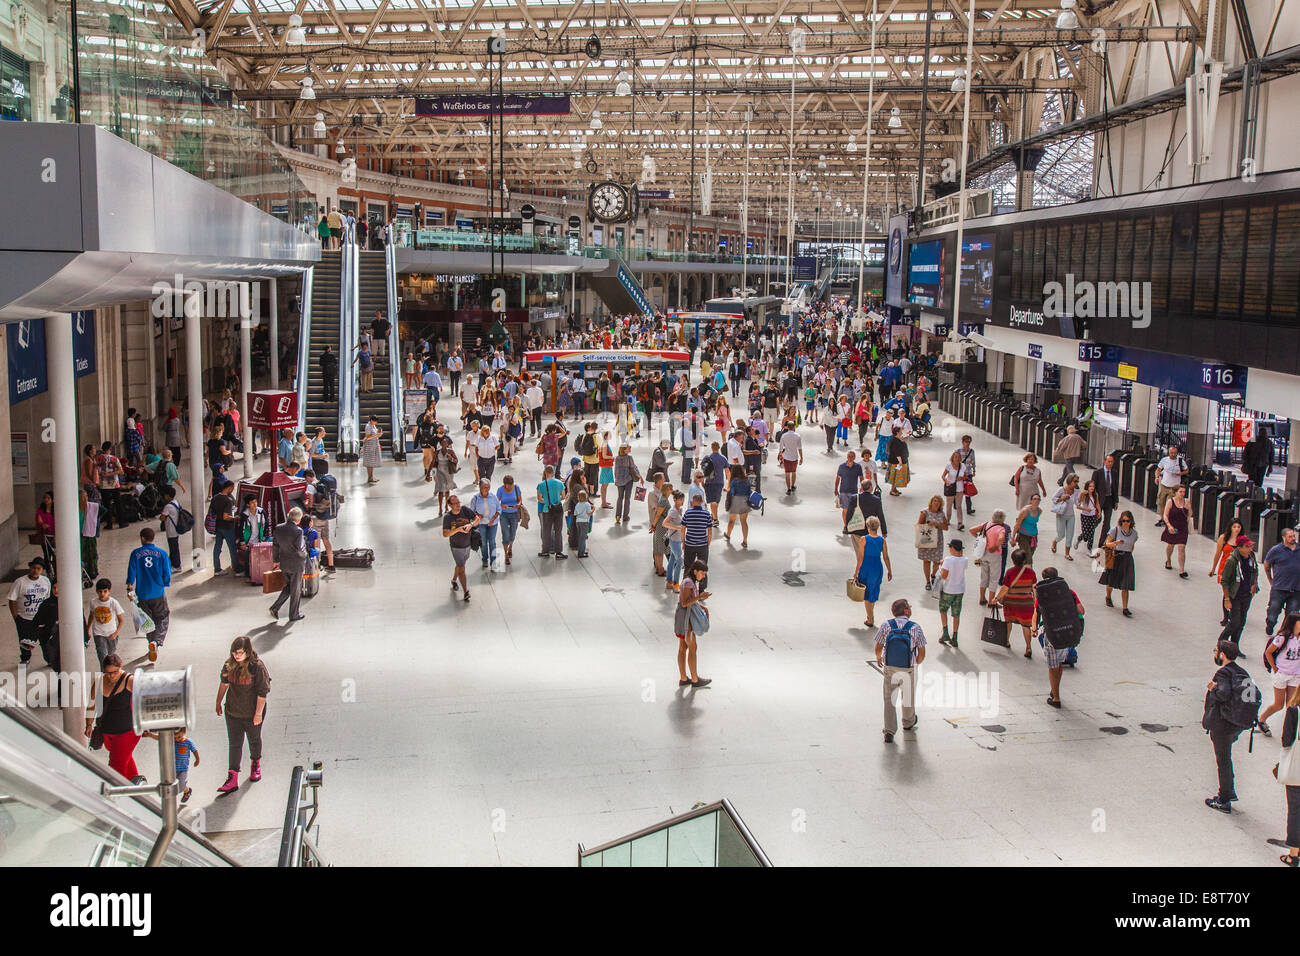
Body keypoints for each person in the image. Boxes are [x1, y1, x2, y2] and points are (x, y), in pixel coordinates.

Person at [1202, 640, 1255, 813]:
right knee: (1226, 758)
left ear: (1222, 655)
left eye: (1216, 651)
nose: (1215, 654)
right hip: (1237, 724)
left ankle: (1224, 798)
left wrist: (1213, 689)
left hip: (1223, 725)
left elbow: (1223, 694)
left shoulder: (1223, 673)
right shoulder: (1241, 672)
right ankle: (1227, 792)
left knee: (1223, 761)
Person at [214, 635, 271, 794]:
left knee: (254, 740)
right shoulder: (229, 665)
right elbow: (224, 683)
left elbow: (262, 692)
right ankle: (232, 777)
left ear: (247, 651)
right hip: (232, 712)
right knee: (235, 744)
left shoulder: (257, 667)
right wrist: (218, 701)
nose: (236, 656)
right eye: (234, 653)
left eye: (239, 652)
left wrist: (258, 714)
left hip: (252, 713)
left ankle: (255, 764)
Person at [85, 655, 145, 784]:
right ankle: (136, 788)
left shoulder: (130, 681)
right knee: (123, 759)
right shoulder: (100, 680)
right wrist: (89, 724)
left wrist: (146, 724)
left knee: (116, 764)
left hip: (128, 731)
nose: (112, 676)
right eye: (108, 673)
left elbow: (143, 702)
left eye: (115, 672)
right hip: (107, 731)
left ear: (121, 667)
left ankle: (114, 791)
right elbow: (91, 704)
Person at [875, 598, 926, 743]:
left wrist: (879, 657)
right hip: (908, 668)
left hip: (890, 667)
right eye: (909, 607)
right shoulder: (915, 627)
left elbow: (878, 647)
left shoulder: (886, 625)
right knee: (908, 697)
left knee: (888, 698)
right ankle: (908, 722)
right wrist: (915, 664)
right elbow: (922, 653)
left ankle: (889, 731)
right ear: (906, 611)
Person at [1033, 567, 1084, 707]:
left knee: (1052, 666)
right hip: (1067, 632)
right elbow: (1081, 610)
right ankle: (1054, 690)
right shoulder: (1069, 591)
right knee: (1059, 663)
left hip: (1051, 634)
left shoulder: (1042, 593)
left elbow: (1036, 612)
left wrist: (1034, 628)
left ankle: (1055, 698)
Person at [127, 527, 172, 663]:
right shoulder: (162, 553)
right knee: (162, 616)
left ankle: (151, 643)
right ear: (153, 538)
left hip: (142, 593)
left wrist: (129, 586)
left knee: (147, 620)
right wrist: (164, 583)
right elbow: (167, 572)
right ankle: (157, 642)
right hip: (157, 592)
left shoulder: (135, 554)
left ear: (142, 538)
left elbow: (132, 571)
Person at [990, 549, 1037, 657]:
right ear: (1024, 560)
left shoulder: (1010, 572)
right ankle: (1028, 647)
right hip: (1026, 603)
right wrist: (1035, 601)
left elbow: (1005, 588)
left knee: (1008, 622)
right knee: (1026, 626)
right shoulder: (1031, 572)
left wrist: (996, 598)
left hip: (1011, 602)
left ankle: (1006, 641)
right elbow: (1034, 588)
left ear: (1013, 560)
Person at [674, 560, 712, 688]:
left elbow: (686, 601)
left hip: (682, 616)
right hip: (686, 619)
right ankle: (695, 679)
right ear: (695, 571)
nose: (703, 576)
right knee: (693, 647)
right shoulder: (689, 583)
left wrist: (700, 605)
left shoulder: (688, 581)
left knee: (683, 647)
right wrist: (699, 597)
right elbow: (685, 603)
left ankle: (684, 678)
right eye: (702, 573)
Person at [8, 557, 51, 666]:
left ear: (42, 570)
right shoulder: (20, 582)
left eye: (38, 568)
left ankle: (49, 659)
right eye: (33, 568)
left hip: (41, 618)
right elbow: (12, 600)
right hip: (25, 618)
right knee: (24, 641)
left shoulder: (45, 581)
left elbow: (47, 598)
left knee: (45, 641)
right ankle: (25, 658)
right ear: (29, 568)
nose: (35, 570)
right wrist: (16, 617)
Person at [269, 507, 308, 622]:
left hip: (284, 563)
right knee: (296, 590)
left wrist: (276, 560)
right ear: (299, 519)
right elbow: (300, 548)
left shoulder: (278, 528)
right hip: (296, 564)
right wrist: (305, 555)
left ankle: (275, 608)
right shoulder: (298, 531)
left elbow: (275, 546)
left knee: (289, 587)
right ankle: (294, 614)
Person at [1218, 536, 1258, 644]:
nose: (1250, 549)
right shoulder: (1232, 560)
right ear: (1239, 548)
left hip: (1247, 595)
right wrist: (1227, 598)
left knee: (1241, 623)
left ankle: (1234, 645)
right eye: (1247, 546)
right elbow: (1225, 580)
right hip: (1235, 595)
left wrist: (1254, 584)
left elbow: (1255, 570)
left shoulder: (1251, 557)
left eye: (1251, 546)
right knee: (1234, 622)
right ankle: (1221, 642)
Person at [1099, 510, 1139, 617]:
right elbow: (1107, 543)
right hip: (1115, 556)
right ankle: (1108, 596)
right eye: (1124, 520)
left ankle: (1125, 607)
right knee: (1111, 580)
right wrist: (1116, 543)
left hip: (1127, 558)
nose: (1125, 523)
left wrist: (1128, 552)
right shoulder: (1115, 530)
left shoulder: (1134, 533)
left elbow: (1132, 545)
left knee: (1126, 584)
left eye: (1128, 521)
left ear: (1131, 521)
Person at [853, 516, 891, 627]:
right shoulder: (882, 540)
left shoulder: (863, 539)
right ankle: (871, 614)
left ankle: (870, 618)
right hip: (877, 567)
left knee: (866, 593)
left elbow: (860, 557)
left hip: (866, 566)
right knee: (873, 590)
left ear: (867, 526)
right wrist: (889, 570)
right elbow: (886, 557)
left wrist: (856, 572)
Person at [443, 493, 481, 598]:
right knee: (462, 568)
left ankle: (454, 580)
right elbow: (445, 534)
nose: (458, 505)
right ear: (450, 505)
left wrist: (471, 525)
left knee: (460, 565)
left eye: (458, 502)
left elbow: (477, 519)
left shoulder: (465, 510)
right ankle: (466, 591)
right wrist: (458, 529)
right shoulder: (448, 517)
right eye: (455, 503)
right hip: (456, 547)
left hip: (467, 544)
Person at [1264, 527, 1300, 638]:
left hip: (1296, 589)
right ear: (1283, 537)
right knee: (1273, 611)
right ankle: (1270, 624)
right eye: (1290, 536)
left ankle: (1283, 633)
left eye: (1293, 536)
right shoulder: (1276, 550)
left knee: (1291, 615)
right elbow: (1266, 565)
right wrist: (1271, 580)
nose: (1293, 538)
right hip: (1279, 588)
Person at [971, 510, 1010, 606]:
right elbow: (1001, 539)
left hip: (984, 553)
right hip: (995, 555)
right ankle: (991, 601)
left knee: (984, 576)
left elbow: (971, 530)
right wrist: (995, 546)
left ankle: (982, 598)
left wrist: (979, 539)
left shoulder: (986, 524)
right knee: (994, 578)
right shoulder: (1001, 529)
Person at [86, 577, 126, 670]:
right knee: (103, 658)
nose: (102, 594)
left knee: (111, 657)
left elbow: (121, 621)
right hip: (99, 634)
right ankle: (104, 676)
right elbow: (91, 616)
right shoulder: (93, 602)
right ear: (96, 591)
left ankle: (111, 673)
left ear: (109, 591)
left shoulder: (113, 603)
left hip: (111, 634)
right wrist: (88, 630)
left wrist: (115, 634)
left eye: (105, 591)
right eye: (100, 591)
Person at [937, 539, 968, 647]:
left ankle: (945, 633)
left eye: (950, 547)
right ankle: (955, 637)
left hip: (948, 590)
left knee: (943, 610)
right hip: (960, 590)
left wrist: (942, 565)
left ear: (953, 548)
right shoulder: (965, 559)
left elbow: (944, 576)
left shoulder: (948, 560)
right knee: (956, 614)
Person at [536, 465, 567, 559]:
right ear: (553, 473)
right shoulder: (559, 483)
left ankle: (545, 551)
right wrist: (556, 500)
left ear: (545, 472)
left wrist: (547, 502)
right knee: (558, 531)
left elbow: (539, 498)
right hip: (558, 509)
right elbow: (563, 497)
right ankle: (558, 552)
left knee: (546, 531)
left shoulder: (541, 485)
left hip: (547, 510)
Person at [1160, 483, 1192, 577]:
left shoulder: (1187, 501)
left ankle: (1181, 570)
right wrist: (1169, 526)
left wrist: (1188, 508)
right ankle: (1168, 560)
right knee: (1171, 545)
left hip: (1183, 527)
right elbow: (1165, 515)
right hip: (1172, 526)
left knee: (1182, 547)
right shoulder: (1170, 502)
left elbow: (1190, 514)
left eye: (1184, 492)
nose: (1182, 494)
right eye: (1180, 492)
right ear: (1176, 492)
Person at [1153, 445, 1187, 527]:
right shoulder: (1164, 460)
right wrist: (1157, 477)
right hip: (1164, 485)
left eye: (1175, 453)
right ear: (1169, 453)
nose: (1173, 455)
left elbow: (1186, 470)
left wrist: (1180, 473)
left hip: (1174, 487)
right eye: (1171, 453)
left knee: (1169, 504)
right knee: (1161, 502)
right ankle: (1162, 518)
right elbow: (1158, 469)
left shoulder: (1180, 461)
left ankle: (1167, 519)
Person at [1049, 475, 1080, 561]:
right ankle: (1055, 541)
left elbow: (1077, 503)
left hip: (1071, 516)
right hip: (1061, 514)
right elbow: (1053, 498)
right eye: (1075, 481)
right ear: (1069, 481)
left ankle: (1067, 554)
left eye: (1077, 481)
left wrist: (1081, 499)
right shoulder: (1061, 489)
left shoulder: (1076, 491)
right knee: (1061, 535)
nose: (1076, 483)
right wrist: (1062, 498)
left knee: (1070, 535)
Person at [681, 492, 714, 573]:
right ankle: (702, 585)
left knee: (688, 567)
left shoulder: (688, 512)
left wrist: (683, 542)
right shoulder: (707, 514)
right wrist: (708, 543)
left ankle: (687, 584)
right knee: (703, 568)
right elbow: (710, 531)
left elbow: (683, 529)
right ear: (702, 501)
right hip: (702, 545)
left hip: (689, 544)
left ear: (693, 501)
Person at [1091, 453, 1119, 544]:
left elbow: (1115, 487)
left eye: (1112, 462)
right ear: (1104, 462)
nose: (1110, 463)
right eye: (1108, 461)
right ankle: (1086, 536)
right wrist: (1093, 501)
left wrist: (1116, 501)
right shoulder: (1097, 473)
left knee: (1107, 523)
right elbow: (1093, 487)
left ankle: (1101, 543)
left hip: (1109, 500)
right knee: (1097, 520)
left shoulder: (1114, 473)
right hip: (1099, 501)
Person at [496, 476, 522, 567]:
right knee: (505, 534)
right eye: (508, 486)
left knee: (513, 533)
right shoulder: (500, 490)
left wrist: (518, 505)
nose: (510, 487)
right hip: (504, 514)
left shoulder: (516, 488)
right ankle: (506, 554)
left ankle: (510, 547)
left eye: (511, 485)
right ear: (504, 485)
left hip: (514, 514)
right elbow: (496, 502)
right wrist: (501, 506)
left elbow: (519, 500)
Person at [723, 465, 752, 548]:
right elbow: (749, 490)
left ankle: (728, 535)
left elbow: (732, 492)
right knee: (744, 522)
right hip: (745, 501)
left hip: (736, 501)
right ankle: (745, 541)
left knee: (732, 520)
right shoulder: (747, 480)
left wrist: (727, 491)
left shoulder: (734, 481)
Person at [940, 451, 969, 531]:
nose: (957, 458)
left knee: (959, 506)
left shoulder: (962, 466)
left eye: (959, 457)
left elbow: (965, 476)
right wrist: (946, 481)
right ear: (952, 458)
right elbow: (943, 476)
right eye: (955, 457)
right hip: (950, 488)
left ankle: (960, 523)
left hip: (959, 489)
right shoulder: (949, 466)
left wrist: (962, 478)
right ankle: (948, 520)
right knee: (949, 506)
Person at [1012, 493, 1043, 566]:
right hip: (1023, 537)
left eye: (1038, 499)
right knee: (1029, 559)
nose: (1036, 501)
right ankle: (1030, 575)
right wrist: (1013, 538)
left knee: (1028, 557)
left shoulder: (1039, 511)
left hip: (1034, 537)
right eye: (1034, 499)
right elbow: (1017, 524)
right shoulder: (1025, 511)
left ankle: (1021, 571)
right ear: (1031, 501)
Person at [173, 728, 201, 804]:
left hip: (183, 768)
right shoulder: (172, 741)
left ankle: (187, 790)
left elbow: (194, 750)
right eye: (174, 737)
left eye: (179, 737)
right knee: (172, 785)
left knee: (181, 785)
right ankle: (171, 802)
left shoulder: (188, 742)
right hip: (172, 769)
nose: (177, 739)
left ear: (184, 732)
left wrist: (197, 760)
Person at [1074, 479, 1100, 553]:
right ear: (1087, 487)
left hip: (1093, 515)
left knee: (1091, 532)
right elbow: (1078, 504)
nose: (1092, 488)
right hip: (1085, 515)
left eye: (1093, 486)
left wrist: (1099, 512)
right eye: (1090, 486)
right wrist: (1085, 508)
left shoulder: (1095, 494)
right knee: (1085, 533)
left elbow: (1097, 503)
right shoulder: (1084, 494)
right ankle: (1079, 539)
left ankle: (1089, 548)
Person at [777, 422, 803, 495]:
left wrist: (780, 455)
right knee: (794, 472)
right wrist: (801, 457)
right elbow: (800, 448)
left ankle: (788, 489)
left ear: (787, 427)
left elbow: (781, 447)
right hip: (794, 457)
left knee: (787, 473)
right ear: (794, 426)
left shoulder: (784, 436)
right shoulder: (797, 436)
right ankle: (792, 485)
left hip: (786, 457)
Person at [885, 426, 909, 496]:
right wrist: (900, 461)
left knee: (896, 476)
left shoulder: (896, 439)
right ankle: (892, 490)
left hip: (897, 461)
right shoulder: (895, 441)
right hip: (895, 462)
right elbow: (897, 452)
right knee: (894, 476)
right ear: (897, 432)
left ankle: (894, 489)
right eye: (901, 431)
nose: (902, 432)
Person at [958, 435, 977, 516]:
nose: (968, 443)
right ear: (963, 442)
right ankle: (956, 503)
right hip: (960, 474)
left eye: (969, 442)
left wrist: (974, 470)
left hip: (968, 473)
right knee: (959, 490)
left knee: (968, 490)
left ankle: (969, 509)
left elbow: (973, 461)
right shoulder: (958, 451)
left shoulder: (972, 451)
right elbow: (954, 461)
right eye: (966, 442)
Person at [572, 490, 594, 558]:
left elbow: (575, 513)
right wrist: (593, 509)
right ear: (586, 496)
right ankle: (581, 553)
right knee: (583, 538)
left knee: (580, 537)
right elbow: (589, 513)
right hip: (585, 522)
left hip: (578, 522)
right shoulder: (587, 504)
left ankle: (582, 550)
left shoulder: (577, 504)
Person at [362, 415, 382, 483]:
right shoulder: (368, 426)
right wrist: (376, 435)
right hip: (369, 446)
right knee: (369, 463)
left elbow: (374, 434)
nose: (376, 423)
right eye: (375, 421)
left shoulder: (373, 426)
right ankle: (370, 477)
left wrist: (378, 434)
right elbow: (367, 437)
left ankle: (371, 477)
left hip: (373, 446)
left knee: (372, 462)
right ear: (371, 420)